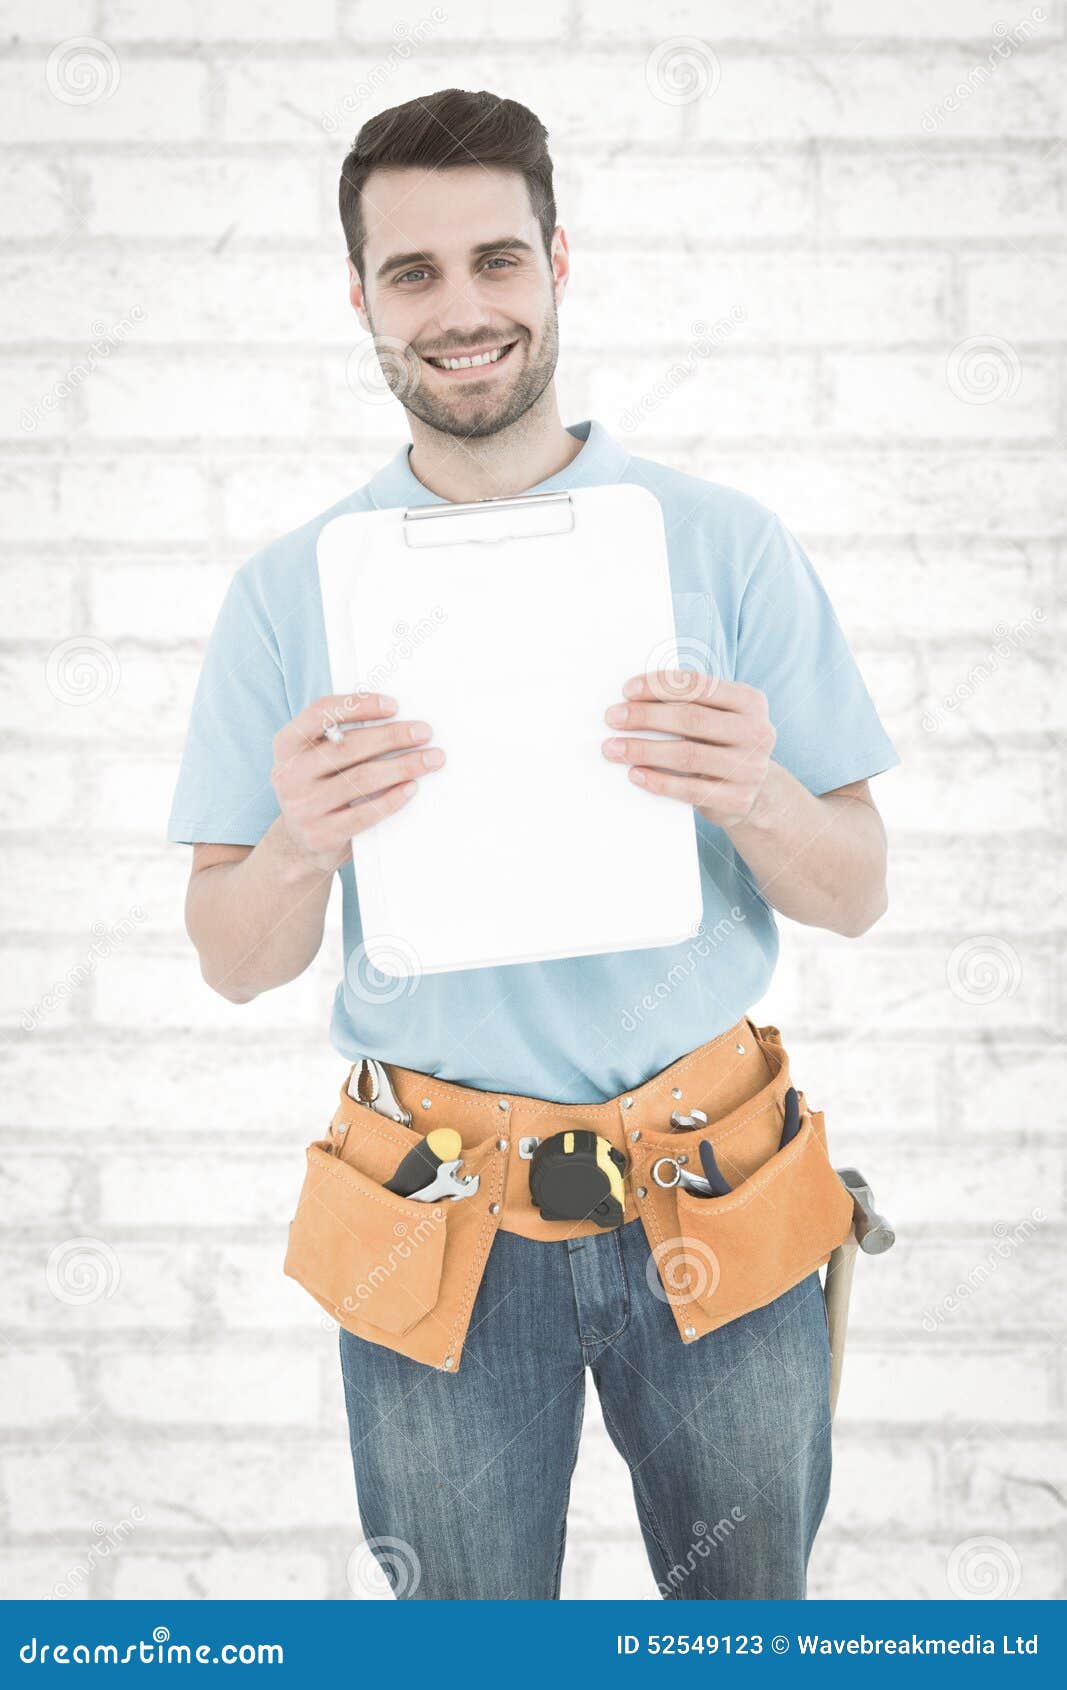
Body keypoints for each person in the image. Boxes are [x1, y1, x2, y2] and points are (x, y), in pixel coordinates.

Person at [169, 88, 899, 1601]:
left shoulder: (725, 543)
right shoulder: (288, 593)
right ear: (361, 298)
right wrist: (300, 846)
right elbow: (234, 961)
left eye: (497, 260)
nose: (462, 310)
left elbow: (858, 888)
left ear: (558, 262)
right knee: (465, 1656)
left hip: (715, 1178)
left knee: (749, 1645)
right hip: (431, 1213)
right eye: (414, 273)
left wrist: (756, 793)